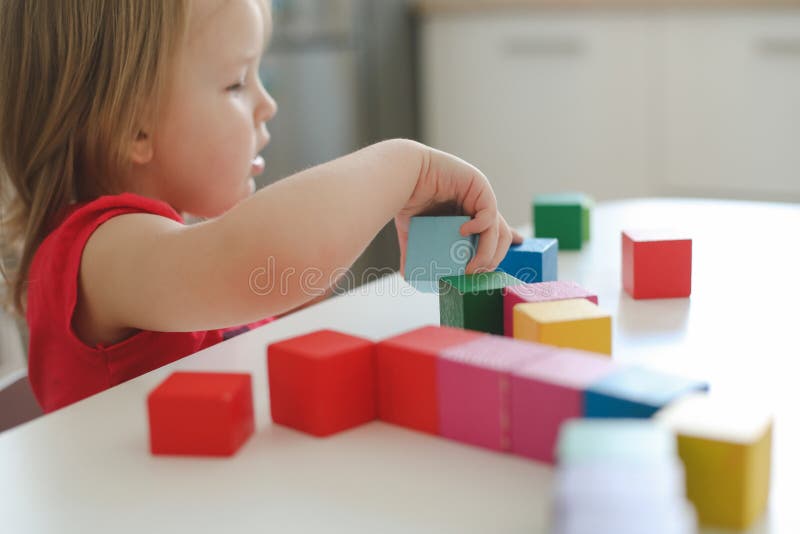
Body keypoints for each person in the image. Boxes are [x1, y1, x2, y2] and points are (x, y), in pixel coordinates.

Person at [0, 0, 523, 412]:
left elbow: (259, 297)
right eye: (236, 82)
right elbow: (254, 263)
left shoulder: (163, 251)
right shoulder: (97, 252)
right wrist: (406, 168)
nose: (266, 105)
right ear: (131, 125)